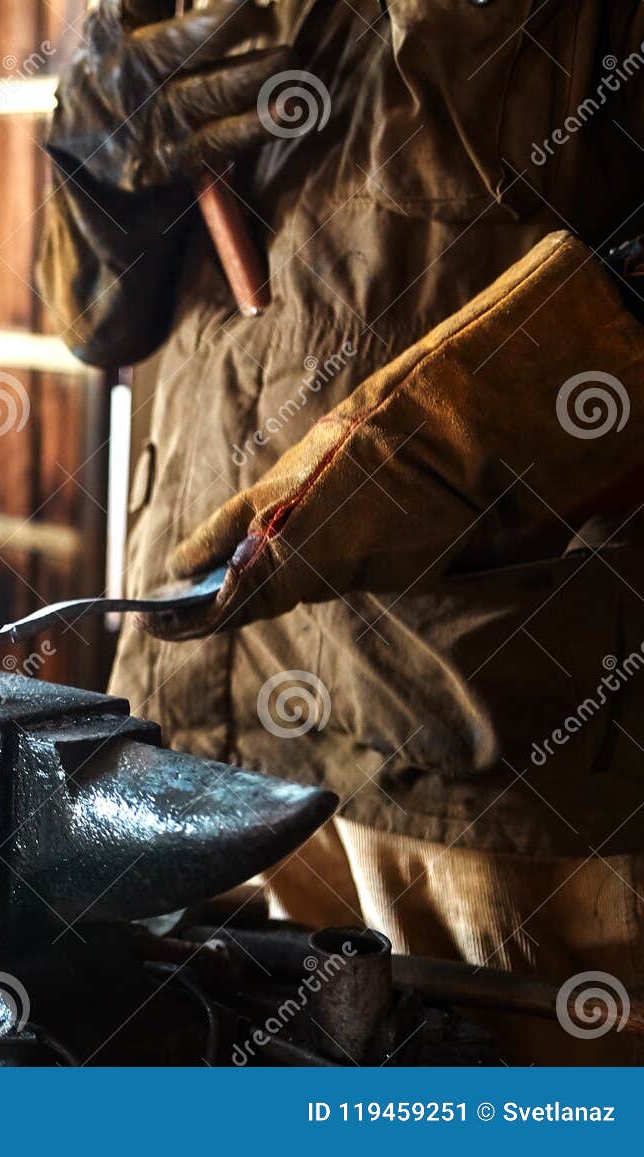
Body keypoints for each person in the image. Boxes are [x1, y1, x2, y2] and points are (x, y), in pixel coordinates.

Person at [37, 0, 644, 1062]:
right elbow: (97, 321)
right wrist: (97, 163)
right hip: (195, 742)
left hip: (478, 750)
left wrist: (435, 443)